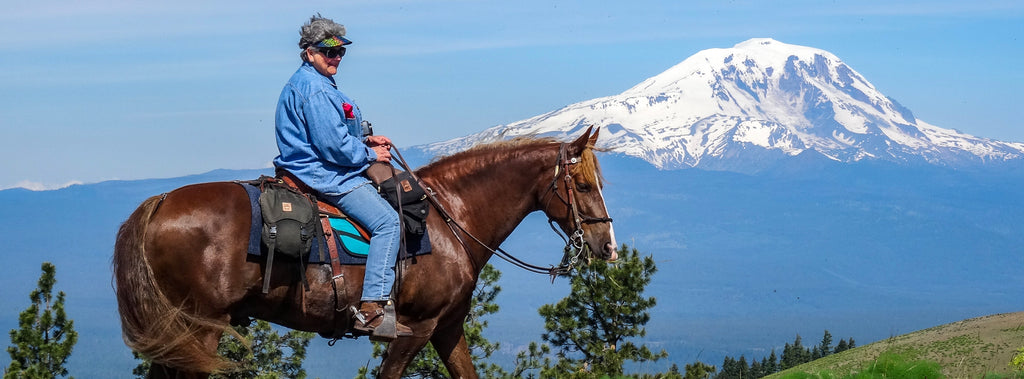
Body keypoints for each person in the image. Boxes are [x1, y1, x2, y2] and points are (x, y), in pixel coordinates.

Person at [273, 14, 411, 338]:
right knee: (388, 223)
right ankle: (372, 310)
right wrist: (370, 154)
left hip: (312, 164)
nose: (335, 58)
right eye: (327, 51)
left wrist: (365, 139)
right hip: (323, 173)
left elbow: (330, 133)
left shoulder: (313, 81)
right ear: (309, 52)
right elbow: (333, 146)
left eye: (340, 52)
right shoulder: (316, 89)